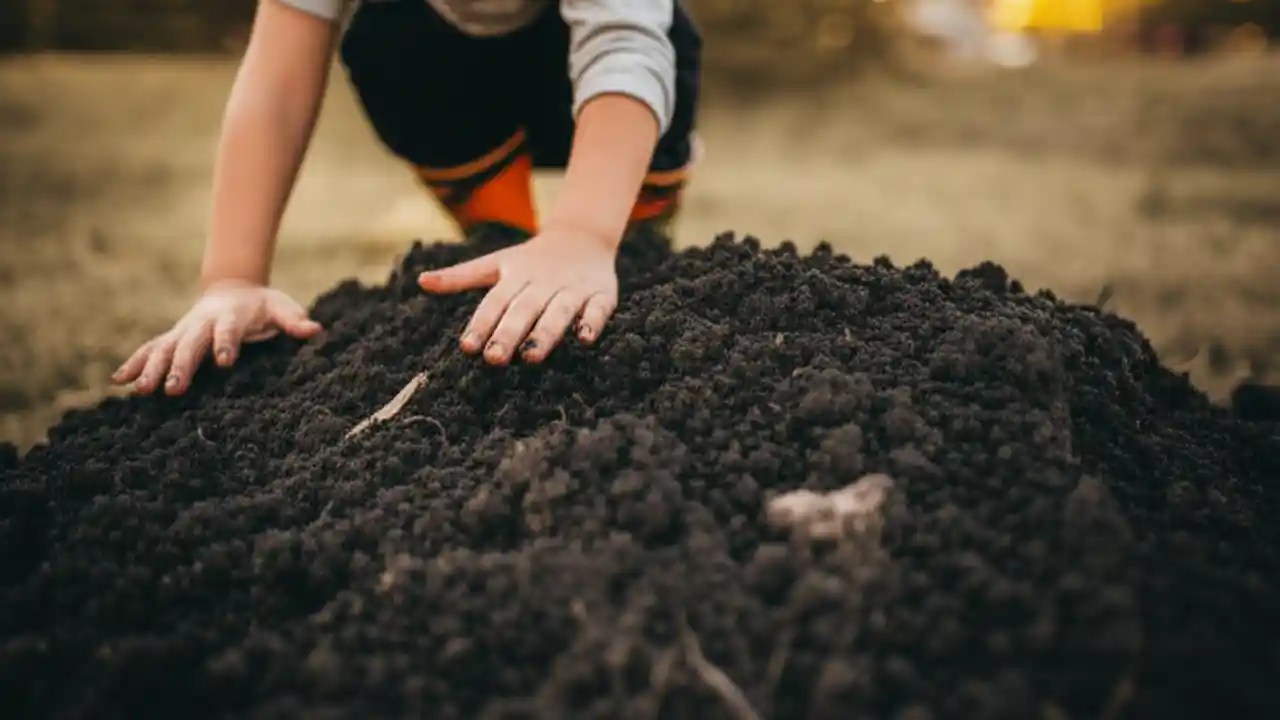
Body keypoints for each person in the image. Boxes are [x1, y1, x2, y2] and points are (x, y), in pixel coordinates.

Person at [112, 0, 701, 396]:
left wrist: (582, 235)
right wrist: (232, 278)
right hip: (449, 67)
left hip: (612, 84)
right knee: (386, 43)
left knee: (622, 248)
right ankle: (507, 241)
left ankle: (627, 244)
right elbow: (277, 76)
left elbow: (626, 47)